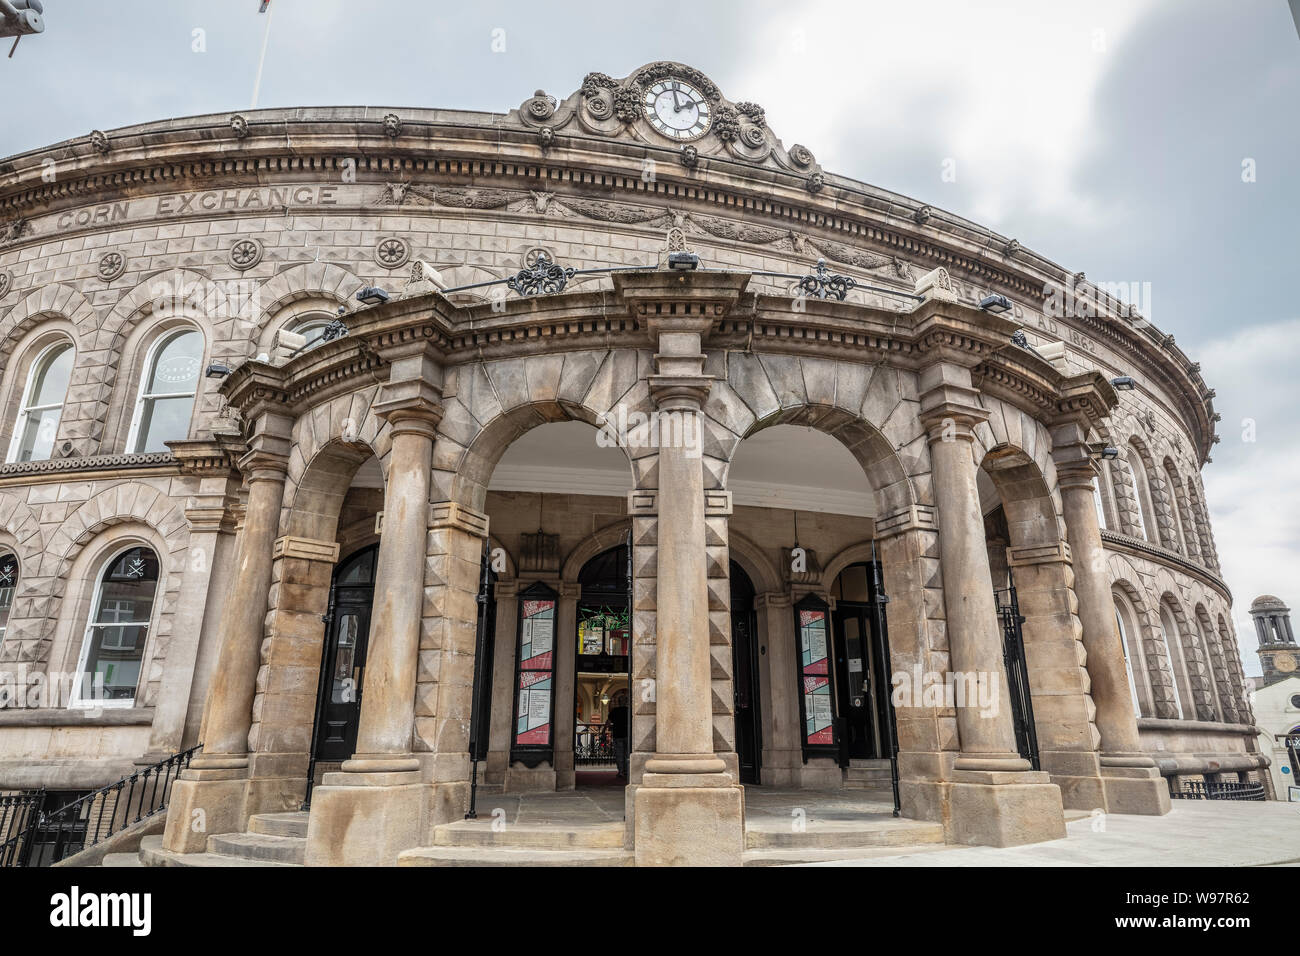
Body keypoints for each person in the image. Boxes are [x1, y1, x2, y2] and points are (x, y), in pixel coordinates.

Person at [607, 701, 630, 778]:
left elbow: (608, 722)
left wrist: (604, 731)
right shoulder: (629, 710)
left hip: (617, 735)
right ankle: (627, 771)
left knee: (619, 754)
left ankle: (621, 772)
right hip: (627, 734)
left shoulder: (615, 711)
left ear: (619, 702)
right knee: (627, 754)